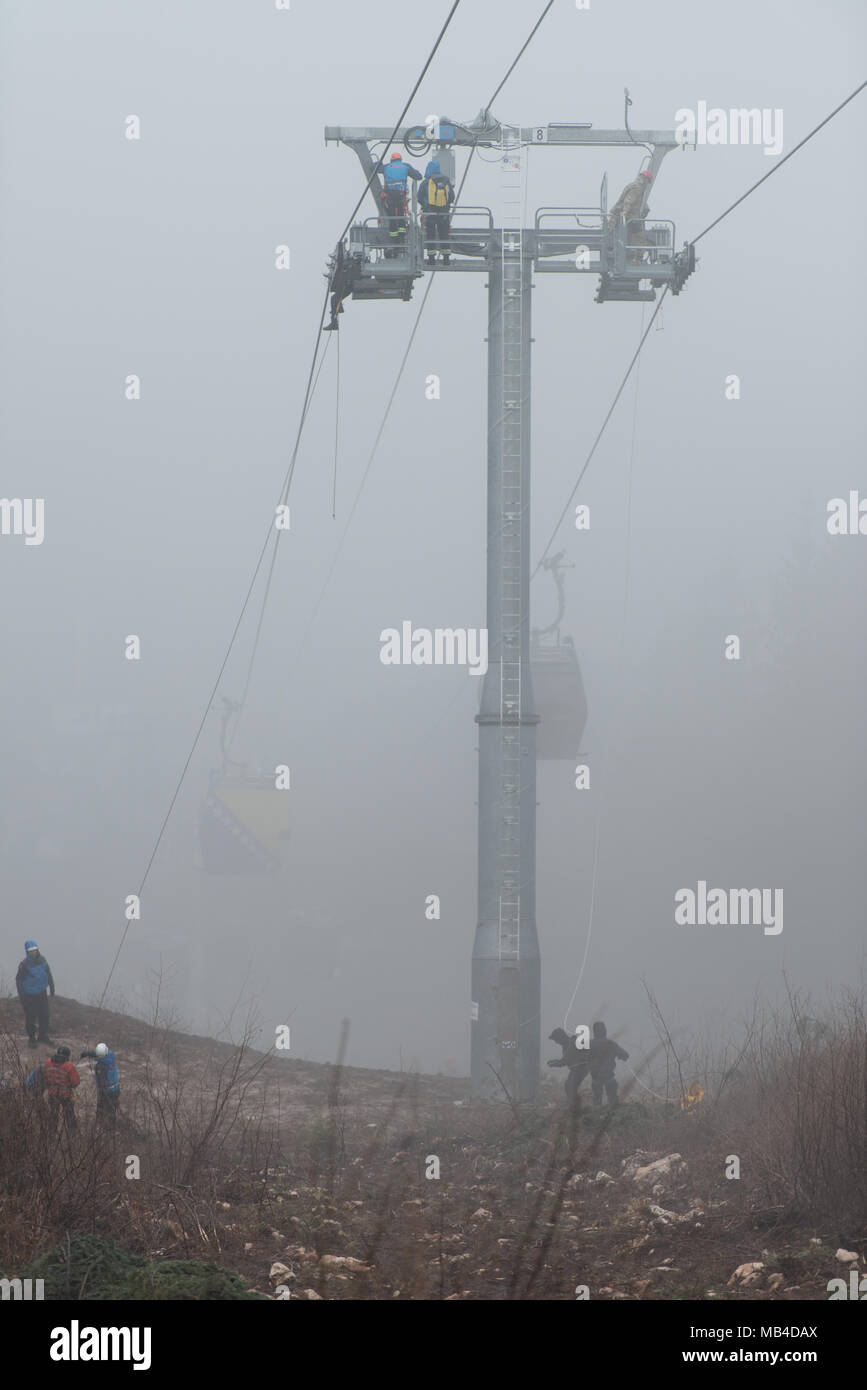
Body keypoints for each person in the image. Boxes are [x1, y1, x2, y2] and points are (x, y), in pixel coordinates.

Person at [24, 1044, 80, 1133]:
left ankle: (51, 1134)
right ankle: (73, 1134)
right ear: (67, 1055)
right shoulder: (69, 1066)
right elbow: (76, 1082)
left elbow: (44, 1077)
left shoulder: (48, 1063)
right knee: (70, 1115)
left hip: (52, 1094)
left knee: (53, 1115)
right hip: (65, 1095)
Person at [16, 940, 55, 1048]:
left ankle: (43, 1035)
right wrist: (22, 996)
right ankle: (32, 1038)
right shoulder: (24, 964)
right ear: (27, 952)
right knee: (31, 1017)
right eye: (30, 951)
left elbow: (48, 973)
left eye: (34, 950)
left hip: (42, 992)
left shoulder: (43, 960)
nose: (33, 952)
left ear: (37, 950)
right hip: (30, 995)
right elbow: (19, 980)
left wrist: (52, 987)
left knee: (44, 1015)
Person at [609, 168, 652, 263]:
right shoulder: (638, 187)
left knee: (626, 238)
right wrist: (625, 211)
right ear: (645, 179)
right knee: (640, 238)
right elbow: (629, 200)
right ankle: (637, 259)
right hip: (628, 217)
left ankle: (629, 257)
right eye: (648, 181)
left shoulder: (633, 185)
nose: (648, 184)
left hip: (622, 216)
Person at [381, 152, 423, 250]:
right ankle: (402, 235)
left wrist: (377, 163)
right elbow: (418, 176)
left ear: (391, 159)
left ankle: (394, 237)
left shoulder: (387, 166)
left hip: (390, 195)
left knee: (391, 215)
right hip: (400, 194)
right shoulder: (405, 166)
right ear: (400, 159)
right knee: (401, 213)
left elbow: (375, 168)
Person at [418, 159, 455, 265]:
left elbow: (419, 197)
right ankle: (446, 258)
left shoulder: (426, 182)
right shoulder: (445, 181)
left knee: (431, 234)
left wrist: (425, 206)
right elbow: (452, 196)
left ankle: (431, 259)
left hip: (430, 212)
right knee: (444, 234)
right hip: (443, 212)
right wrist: (446, 205)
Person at [588, 1021, 629, 1105]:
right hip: (609, 1077)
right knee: (613, 1101)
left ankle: (597, 1116)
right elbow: (625, 1055)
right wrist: (620, 1056)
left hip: (596, 1078)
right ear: (605, 1031)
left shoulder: (589, 1044)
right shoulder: (612, 1044)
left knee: (597, 1101)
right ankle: (613, 1117)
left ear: (594, 1032)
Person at [79, 1042, 120, 1126]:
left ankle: (103, 1128)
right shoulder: (110, 1055)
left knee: (103, 1109)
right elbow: (98, 1054)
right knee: (112, 1109)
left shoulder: (100, 1067)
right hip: (116, 1089)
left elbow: (101, 1082)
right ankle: (109, 1127)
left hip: (106, 1091)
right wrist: (88, 1053)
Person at [547, 1027, 589, 1103]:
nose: (556, 1042)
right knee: (569, 1085)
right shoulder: (567, 1045)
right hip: (577, 1068)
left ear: (561, 1037)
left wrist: (554, 1063)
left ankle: (574, 1105)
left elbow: (565, 1060)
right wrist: (555, 1062)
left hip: (580, 1067)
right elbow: (565, 1059)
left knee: (570, 1086)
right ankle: (574, 1104)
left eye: (556, 1040)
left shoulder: (572, 1043)